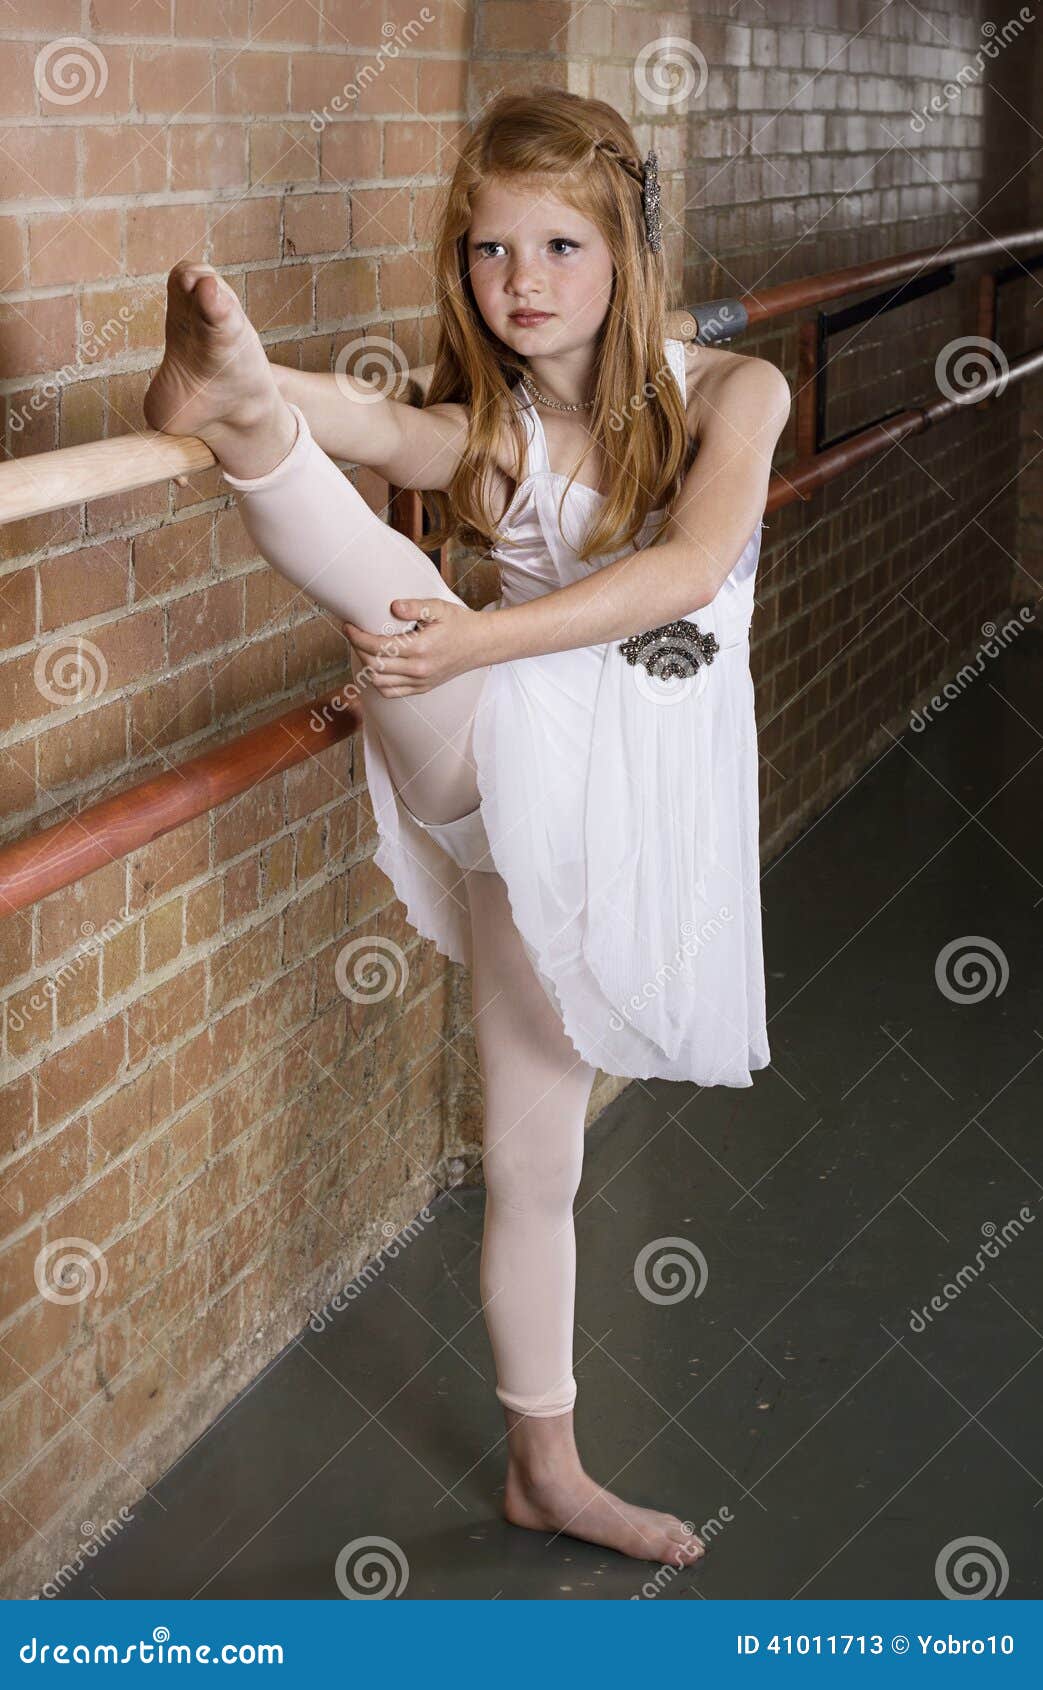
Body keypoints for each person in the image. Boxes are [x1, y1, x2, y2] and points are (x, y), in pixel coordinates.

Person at [143, 88, 790, 1570]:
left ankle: (543, 1468)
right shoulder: (488, 426)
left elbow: (689, 571)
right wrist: (265, 380)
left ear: (628, 248)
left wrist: (481, 645)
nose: (525, 282)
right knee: (387, 589)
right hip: (492, 762)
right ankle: (235, 411)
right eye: (493, 251)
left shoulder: (733, 393)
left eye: (562, 244)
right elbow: (380, 423)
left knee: (535, 1162)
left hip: (613, 812)